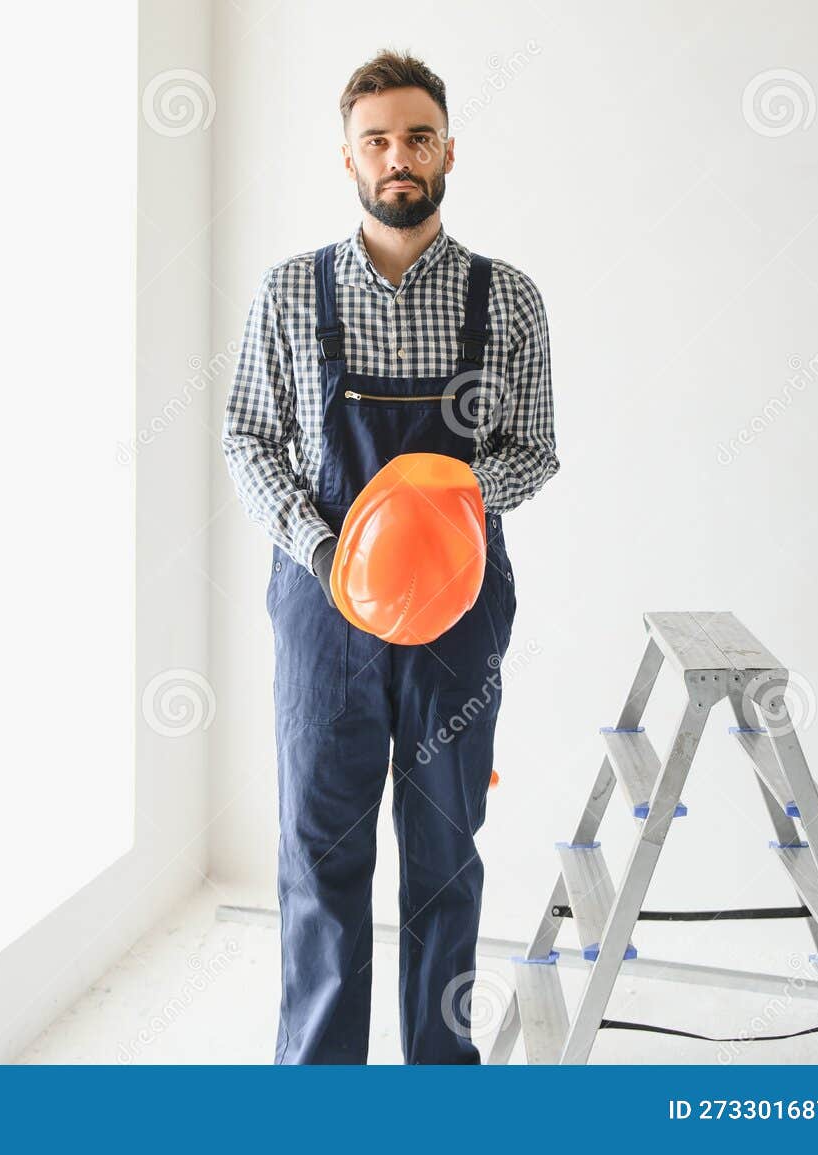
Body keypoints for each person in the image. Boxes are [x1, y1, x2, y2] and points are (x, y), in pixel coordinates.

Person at [221, 48, 560, 1064]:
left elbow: (533, 451)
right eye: (377, 140)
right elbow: (246, 439)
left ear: (448, 148)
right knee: (319, 855)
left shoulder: (507, 300)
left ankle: (437, 1089)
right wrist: (330, 551)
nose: (397, 156)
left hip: (457, 613)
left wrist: (440, 500)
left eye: (417, 136)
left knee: (444, 854)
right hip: (325, 611)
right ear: (348, 158)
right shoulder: (291, 294)